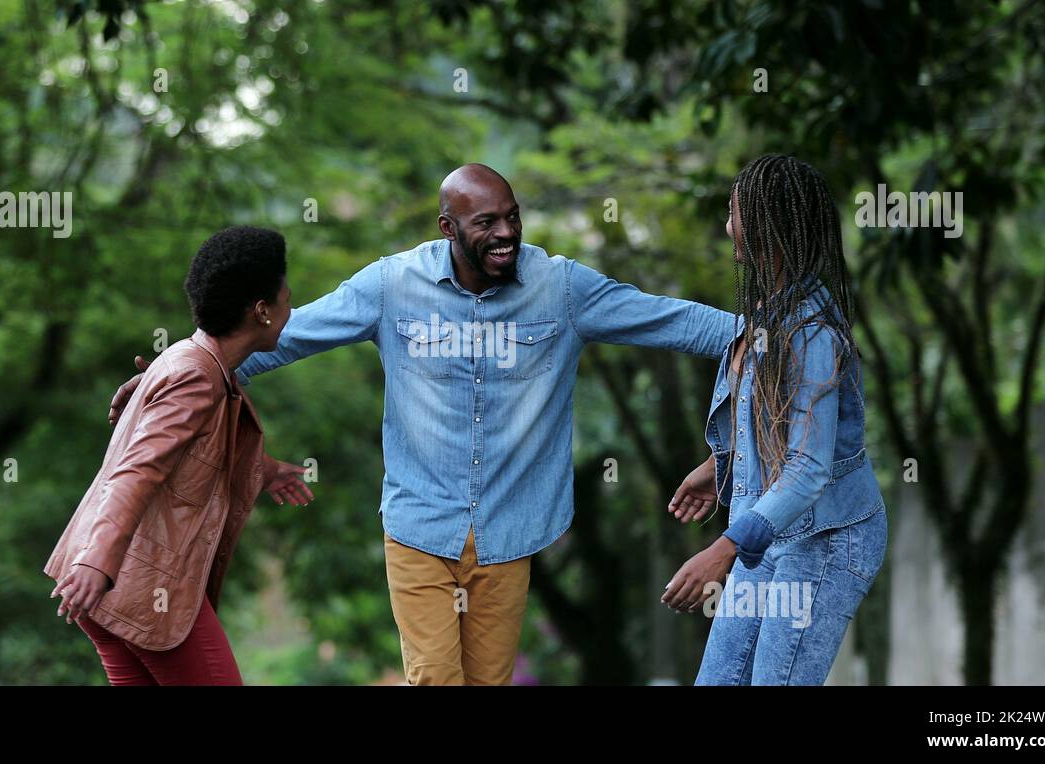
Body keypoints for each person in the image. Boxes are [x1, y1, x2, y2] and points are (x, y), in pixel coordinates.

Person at [109, 164, 734, 685]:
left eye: (512, 217)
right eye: (485, 223)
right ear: (447, 228)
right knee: (434, 679)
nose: (505, 234)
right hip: (419, 527)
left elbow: (675, 322)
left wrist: (769, 340)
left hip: (512, 529)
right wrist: (181, 369)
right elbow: (280, 337)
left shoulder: (561, 288)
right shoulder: (393, 285)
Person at [45, 226, 314, 685]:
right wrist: (99, 561)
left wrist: (263, 470)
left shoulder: (190, 360)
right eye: (288, 300)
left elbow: (193, 454)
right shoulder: (198, 376)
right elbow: (139, 470)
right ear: (262, 311)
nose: (292, 309)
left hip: (111, 582)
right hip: (139, 583)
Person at [661, 154, 887, 685]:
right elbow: (774, 426)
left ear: (765, 226)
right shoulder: (768, 316)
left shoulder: (812, 334)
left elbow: (808, 469)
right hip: (768, 531)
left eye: (733, 212)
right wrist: (723, 464)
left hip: (828, 537)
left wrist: (722, 550)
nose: (726, 225)